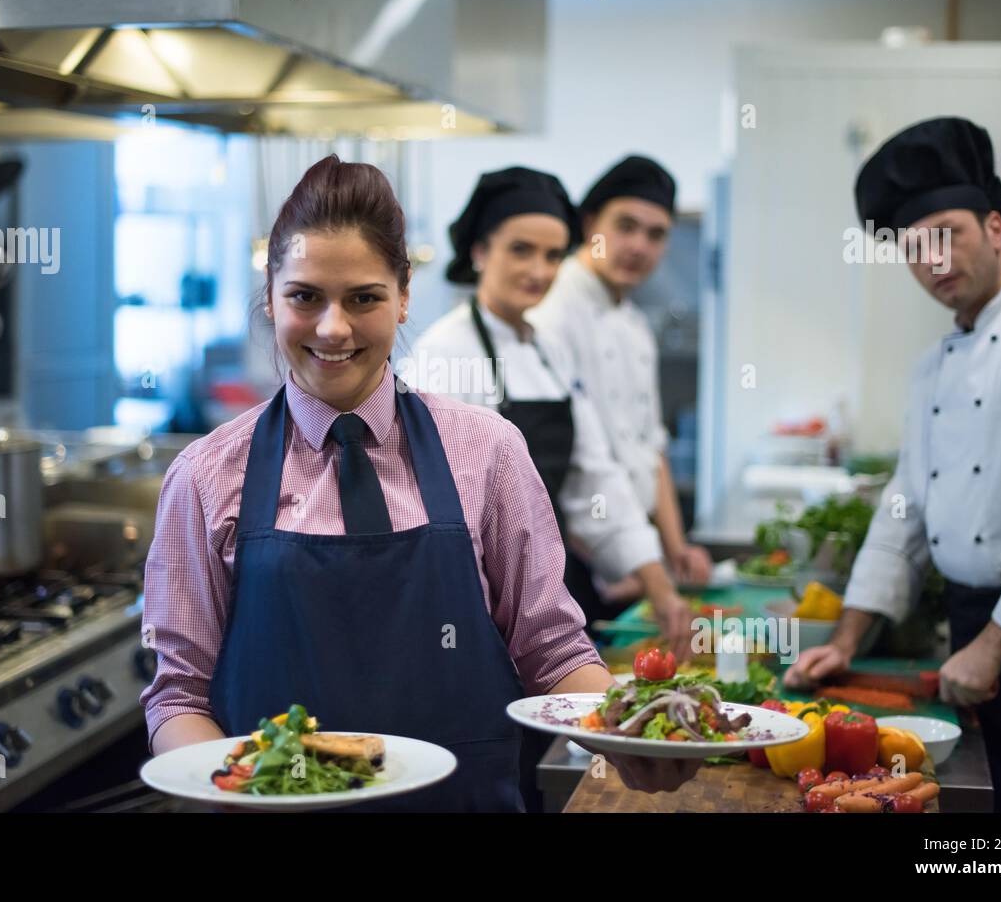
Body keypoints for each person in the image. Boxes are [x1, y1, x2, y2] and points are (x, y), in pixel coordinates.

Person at [140, 155, 701, 810]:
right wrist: (237, 790)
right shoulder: (205, 476)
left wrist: (625, 734)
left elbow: (549, 645)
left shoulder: (488, 450)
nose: (333, 327)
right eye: (304, 296)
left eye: (364, 298)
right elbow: (179, 694)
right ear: (270, 296)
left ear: (404, 297)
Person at [784, 116, 1001, 811]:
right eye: (912, 246)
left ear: (994, 226)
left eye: (947, 234)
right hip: (971, 622)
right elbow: (906, 508)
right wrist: (847, 637)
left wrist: (994, 644)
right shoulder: (933, 366)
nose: (932, 260)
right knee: (994, 800)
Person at [403, 166, 694, 649]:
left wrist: (659, 585)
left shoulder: (546, 351)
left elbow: (593, 477)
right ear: (479, 252)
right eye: (521, 250)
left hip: (544, 594)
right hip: (468, 607)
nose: (539, 272)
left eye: (553, 255)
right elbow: (433, 513)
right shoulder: (444, 355)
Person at [529, 155, 713, 590]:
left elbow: (653, 448)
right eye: (625, 226)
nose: (639, 246)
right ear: (591, 222)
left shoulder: (635, 324)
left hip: (632, 558)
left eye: (655, 234)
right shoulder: (550, 311)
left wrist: (675, 549)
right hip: (574, 565)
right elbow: (570, 469)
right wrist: (631, 566)